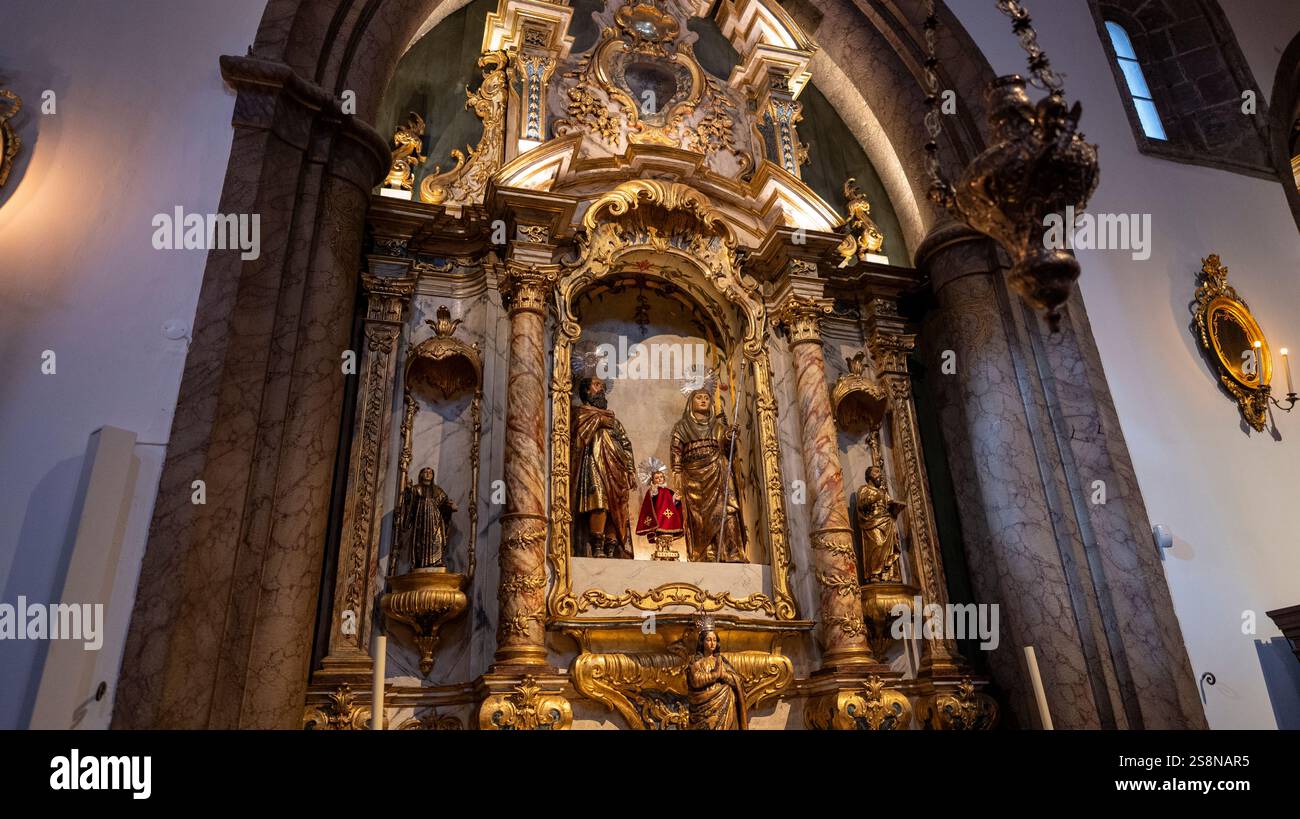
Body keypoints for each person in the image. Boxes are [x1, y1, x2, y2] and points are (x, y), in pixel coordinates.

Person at [670, 388, 746, 562]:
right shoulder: (681, 427)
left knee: (726, 510)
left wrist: (730, 436)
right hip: (693, 477)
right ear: (691, 403)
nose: (703, 400)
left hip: (717, 470)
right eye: (699, 398)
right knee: (699, 517)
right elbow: (676, 451)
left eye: (706, 398)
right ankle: (705, 553)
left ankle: (731, 551)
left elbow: (728, 449)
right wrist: (676, 472)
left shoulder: (718, 427)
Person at [572, 377, 636, 558]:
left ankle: (611, 548)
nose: (601, 389)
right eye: (597, 385)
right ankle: (597, 546)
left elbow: (626, 444)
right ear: (586, 391)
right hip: (593, 463)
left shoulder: (614, 420)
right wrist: (598, 422)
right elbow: (575, 439)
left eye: (603, 386)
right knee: (599, 503)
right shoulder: (581, 414)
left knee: (616, 508)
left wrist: (630, 470)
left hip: (617, 467)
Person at [686, 620, 748, 730]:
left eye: (714, 640)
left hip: (724, 705)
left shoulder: (721, 661)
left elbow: (738, 680)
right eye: (708, 640)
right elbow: (695, 680)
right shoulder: (697, 662)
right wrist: (714, 675)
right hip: (702, 706)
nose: (712, 643)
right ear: (702, 642)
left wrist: (723, 675)